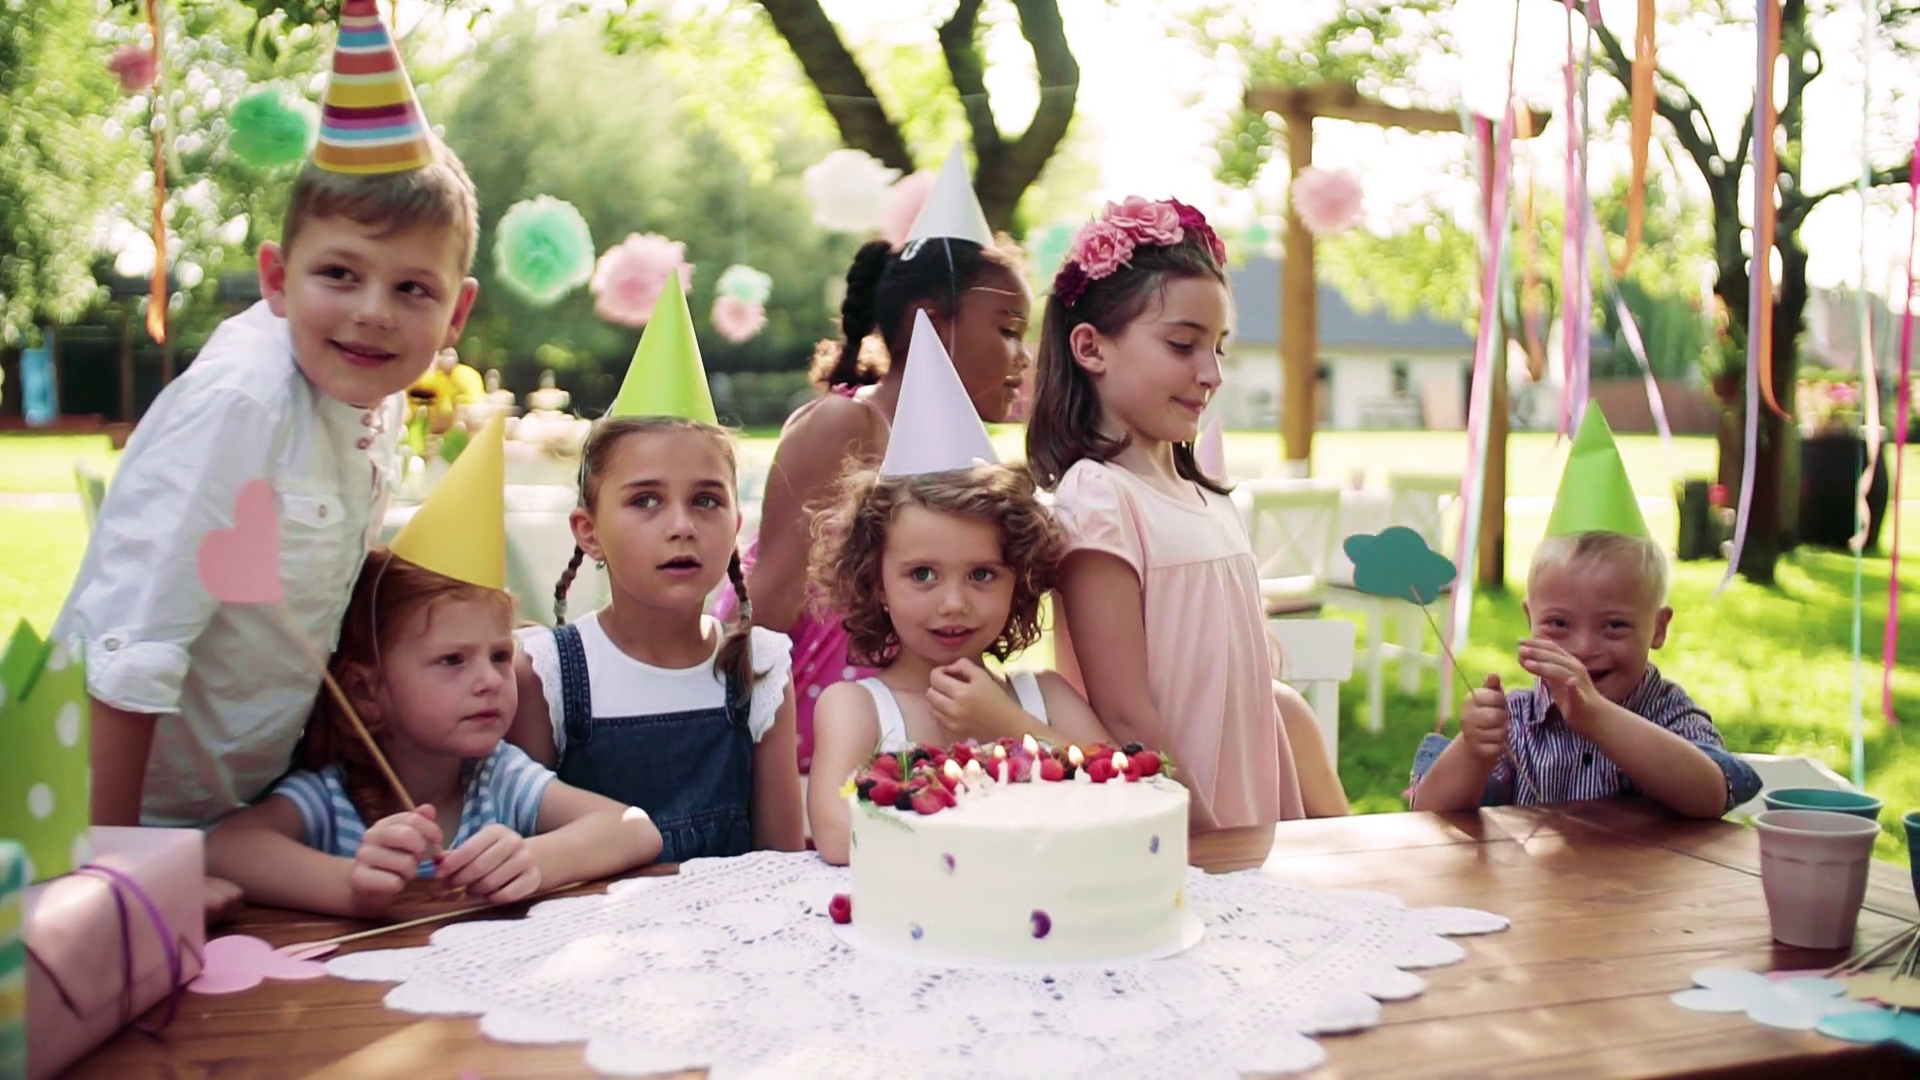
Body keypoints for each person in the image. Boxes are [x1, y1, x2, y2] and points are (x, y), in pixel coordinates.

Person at [60, 0, 481, 833]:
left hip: (225, 817)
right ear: (277, 279)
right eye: (340, 274)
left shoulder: (369, 393)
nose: (372, 312)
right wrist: (117, 869)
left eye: (412, 288)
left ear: (455, 314)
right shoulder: (241, 403)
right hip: (117, 820)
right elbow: (128, 644)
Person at [1026, 196, 1349, 830]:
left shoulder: (1208, 497)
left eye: (1218, 348)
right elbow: (1124, 716)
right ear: (1091, 347)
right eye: (1182, 345)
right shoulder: (1100, 498)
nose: (1211, 374)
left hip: (1251, 811)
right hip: (1183, 829)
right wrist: (1205, 838)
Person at [736, 148, 1030, 774]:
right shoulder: (845, 425)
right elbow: (766, 613)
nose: (1023, 357)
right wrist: (760, 769)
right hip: (819, 737)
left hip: (919, 732)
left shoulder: (968, 454)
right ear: (933, 324)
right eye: (1008, 330)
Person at [511, 274, 806, 860]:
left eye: (706, 500)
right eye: (646, 500)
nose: (681, 525)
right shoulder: (545, 676)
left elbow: (781, 864)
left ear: (735, 524)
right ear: (588, 531)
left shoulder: (761, 667)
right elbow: (527, 858)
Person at [205, 549, 662, 916]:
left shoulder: (498, 777)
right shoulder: (329, 796)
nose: (489, 680)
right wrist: (351, 887)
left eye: (500, 656)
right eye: (452, 660)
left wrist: (534, 860)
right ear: (367, 692)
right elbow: (222, 848)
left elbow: (635, 831)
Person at [804, 317, 1109, 864]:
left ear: (1020, 578)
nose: (953, 603)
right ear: (875, 581)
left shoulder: (1043, 698)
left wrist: (1008, 727)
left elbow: (1124, 792)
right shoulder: (859, 709)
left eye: (982, 574)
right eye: (922, 574)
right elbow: (835, 832)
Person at [1408, 405, 1761, 817]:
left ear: (1658, 627)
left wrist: (1597, 718)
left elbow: (1711, 795)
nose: (1583, 648)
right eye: (1558, 624)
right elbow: (1429, 814)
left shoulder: (1668, 712)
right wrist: (1472, 750)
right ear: (1531, 621)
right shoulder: (1516, 721)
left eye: (1614, 626)